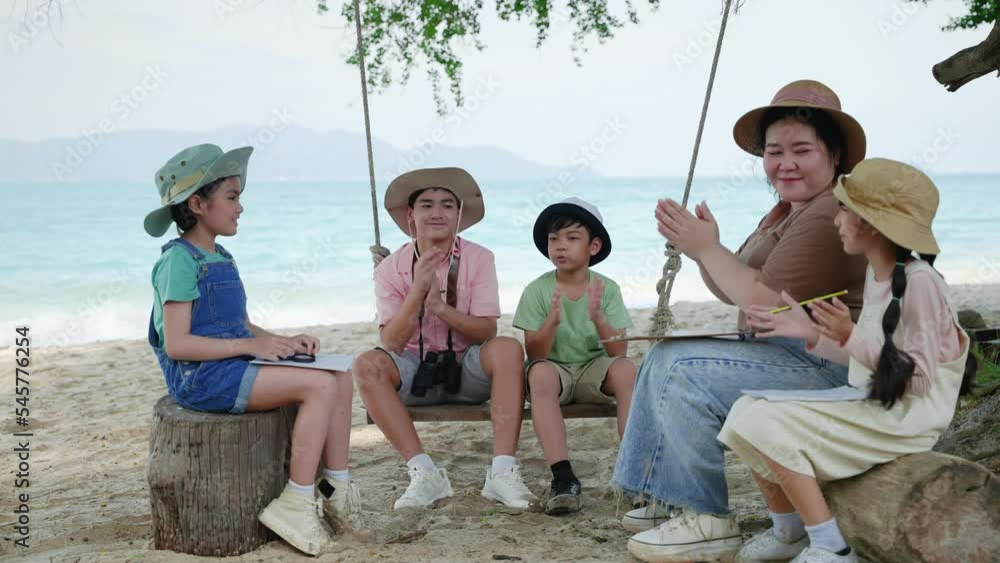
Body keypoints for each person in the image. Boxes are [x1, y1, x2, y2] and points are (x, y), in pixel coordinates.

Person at [615, 80, 870, 563]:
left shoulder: (831, 207)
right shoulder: (785, 210)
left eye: (802, 150)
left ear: (834, 155)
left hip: (833, 362)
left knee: (680, 368)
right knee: (663, 355)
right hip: (788, 353)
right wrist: (702, 250)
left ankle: (707, 519)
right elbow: (734, 284)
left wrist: (705, 248)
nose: (785, 163)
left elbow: (765, 301)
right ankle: (664, 492)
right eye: (775, 152)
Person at [720, 158, 977, 563]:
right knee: (745, 408)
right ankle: (788, 529)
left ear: (871, 224)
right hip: (874, 401)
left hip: (907, 419)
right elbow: (866, 360)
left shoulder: (921, 283)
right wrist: (808, 333)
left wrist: (849, 334)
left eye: (844, 209)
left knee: (762, 421)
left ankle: (832, 547)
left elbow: (921, 381)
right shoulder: (880, 276)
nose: (836, 219)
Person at [145, 144, 357, 556]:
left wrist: (280, 340)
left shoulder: (220, 255)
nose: (240, 207)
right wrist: (251, 345)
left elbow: (236, 325)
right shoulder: (179, 261)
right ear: (197, 204)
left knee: (340, 376)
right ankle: (295, 502)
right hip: (200, 378)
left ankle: (334, 490)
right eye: (232, 197)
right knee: (319, 389)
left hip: (229, 363)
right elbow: (179, 343)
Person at [352, 167, 538, 510]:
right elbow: (390, 343)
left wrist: (439, 307)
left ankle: (502, 472)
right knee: (366, 365)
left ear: (459, 214)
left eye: (447, 205)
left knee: (509, 349)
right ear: (411, 215)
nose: (437, 213)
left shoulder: (480, 258)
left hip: (467, 370)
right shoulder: (391, 268)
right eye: (426, 205)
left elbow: (487, 332)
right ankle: (425, 474)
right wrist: (417, 293)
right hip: (413, 371)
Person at [514, 198, 637, 515]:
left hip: (594, 371)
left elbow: (617, 352)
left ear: (593, 246)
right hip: (556, 374)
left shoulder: (606, 289)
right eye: (554, 239)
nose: (560, 246)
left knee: (626, 370)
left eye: (571, 238)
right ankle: (563, 476)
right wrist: (551, 323)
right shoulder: (538, 290)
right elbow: (536, 353)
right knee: (537, 372)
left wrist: (598, 317)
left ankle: (634, 468)